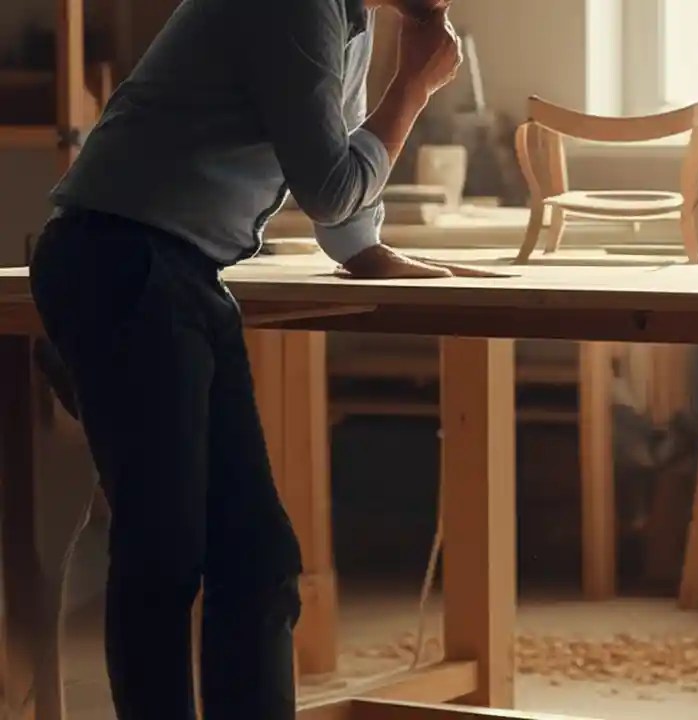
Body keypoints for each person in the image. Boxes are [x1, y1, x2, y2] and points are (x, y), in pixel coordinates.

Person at [27, 0, 463, 717]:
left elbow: (336, 175)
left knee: (257, 561)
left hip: (177, 270)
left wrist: (370, 252)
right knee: (164, 554)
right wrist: (412, 87)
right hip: (123, 262)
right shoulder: (298, 6)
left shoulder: (347, 17)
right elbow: (327, 187)